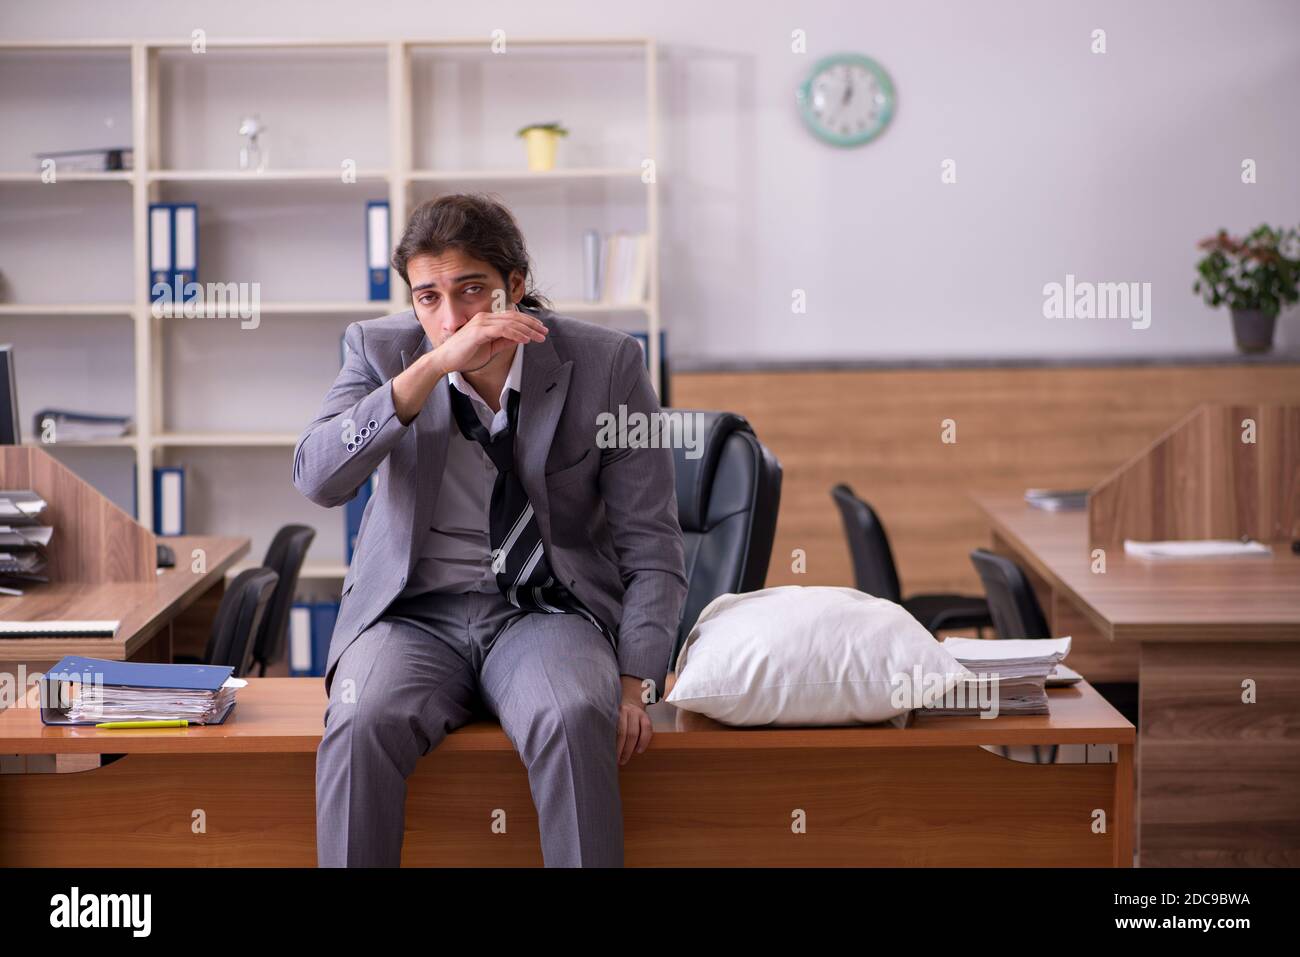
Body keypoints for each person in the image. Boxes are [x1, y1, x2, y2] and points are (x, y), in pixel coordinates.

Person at [293, 192, 686, 867]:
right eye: (428, 297)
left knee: (572, 717)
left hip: (544, 614)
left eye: (471, 291)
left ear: (515, 287)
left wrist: (634, 679)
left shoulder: (608, 364)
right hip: (411, 616)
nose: (450, 318)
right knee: (360, 721)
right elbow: (319, 479)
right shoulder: (380, 350)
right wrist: (427, 372)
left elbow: (652, 543)